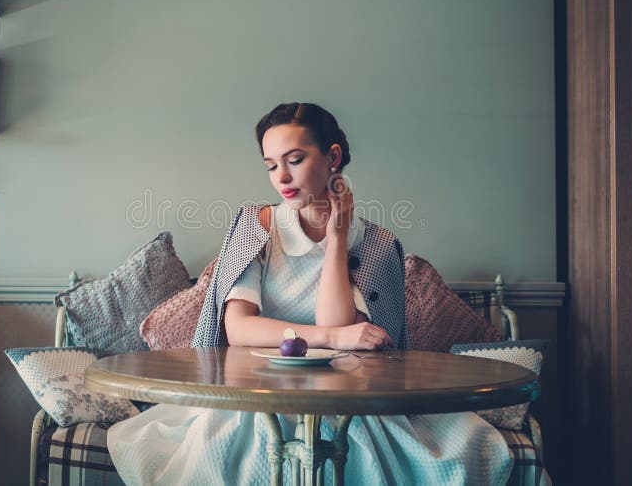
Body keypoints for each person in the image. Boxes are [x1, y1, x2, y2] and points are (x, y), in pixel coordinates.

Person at [107, 103, 513, 485]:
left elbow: (340, 326)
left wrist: (337, 241)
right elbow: (239, 328)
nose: (281, 178)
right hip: (258, 390)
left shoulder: (376, 244)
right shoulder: (256, 226)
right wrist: (332, 338)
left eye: (295, 160)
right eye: (271, 165)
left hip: (345, 397)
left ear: (332, 157)